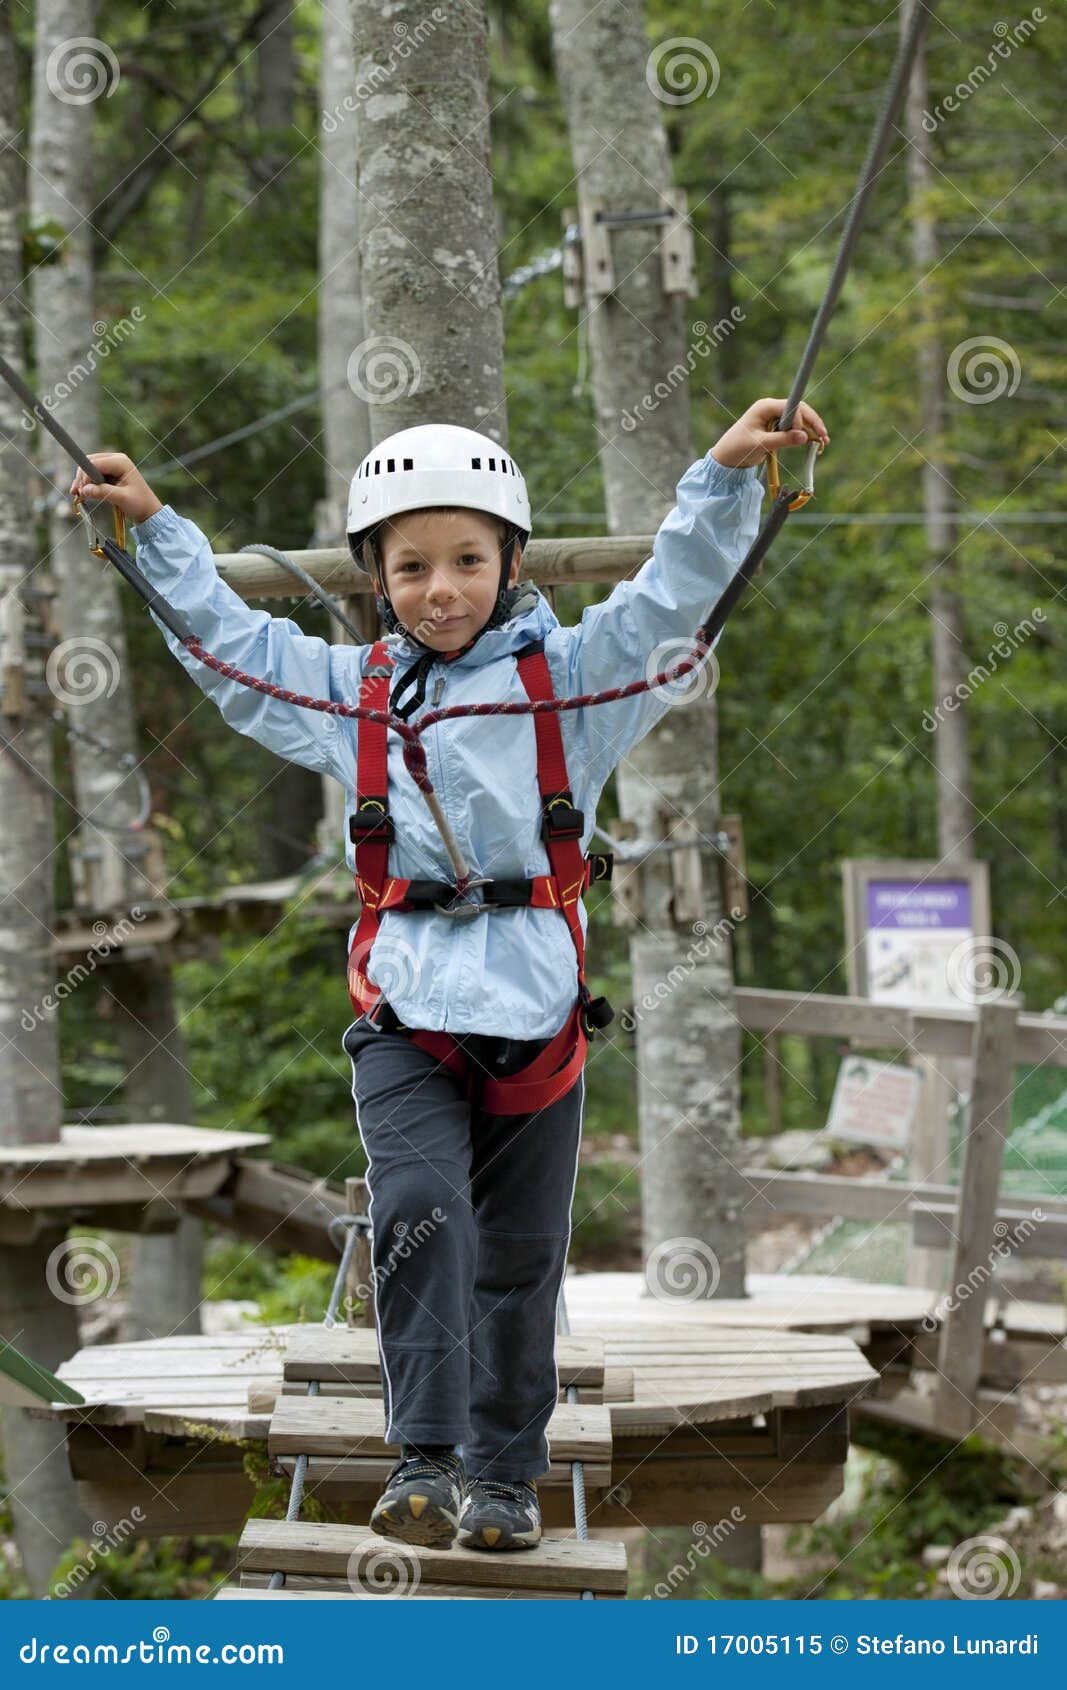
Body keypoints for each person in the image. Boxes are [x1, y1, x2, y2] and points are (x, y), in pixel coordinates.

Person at [69, 397, 828, 1553]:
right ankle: (422, 1456)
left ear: (509, 563)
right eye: (412, 565)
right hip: (407, 1011)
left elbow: (675, 596)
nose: (440, 589)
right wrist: (149, 528)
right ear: (376, 575)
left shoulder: (575, 686)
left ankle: (504, 1480)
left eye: (467, 561)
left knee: (521, 1261)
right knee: (421, 1211)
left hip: (537, 1017)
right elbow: (230, 648)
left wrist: (727, 475)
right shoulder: (351, 696)